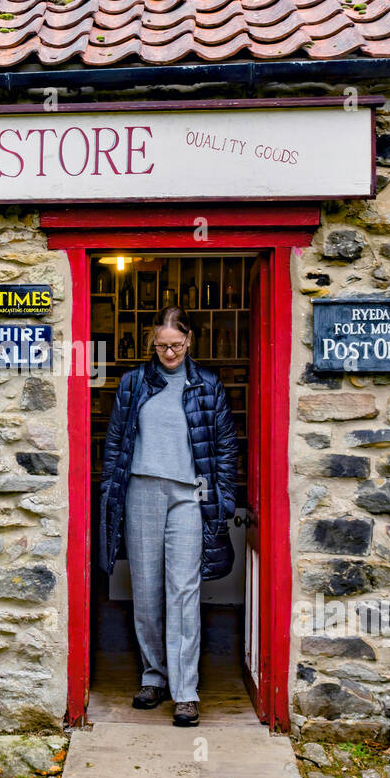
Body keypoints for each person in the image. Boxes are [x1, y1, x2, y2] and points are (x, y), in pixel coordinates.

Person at [99, 306, 238, 727]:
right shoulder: (134, 383)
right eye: (161, 346)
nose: (169, 353)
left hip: (189, 495)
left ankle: (185, 690)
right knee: (145, 589)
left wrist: (223, 500)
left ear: (189, 340)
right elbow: (116, 440)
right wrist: (111, 492)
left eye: (176, 345)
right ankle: (152, 676)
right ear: (152, 344)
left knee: (183, 590)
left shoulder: (208, 385)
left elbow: (225, 449)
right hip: (140, 490)